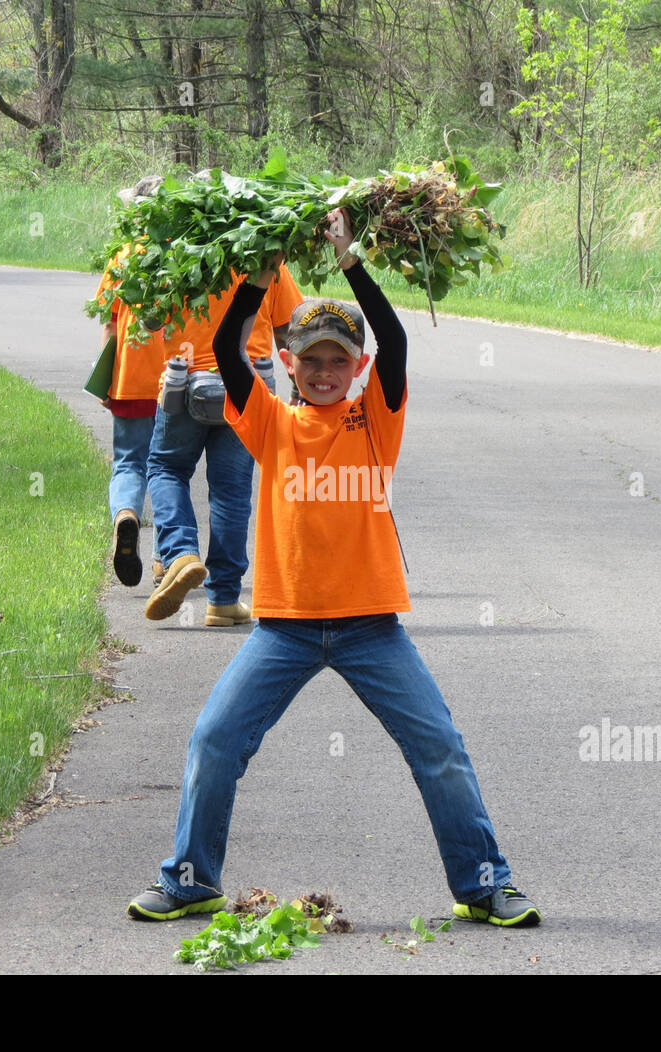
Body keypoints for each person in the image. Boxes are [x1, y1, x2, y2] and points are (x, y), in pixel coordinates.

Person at [126, 209, 540, 927]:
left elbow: (398, 338)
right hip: (282, 630)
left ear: (357, 367)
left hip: (370, 628)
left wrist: (350, 262)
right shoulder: (269, 422)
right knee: (214, 740)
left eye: (337, 360)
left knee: (439, 747)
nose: (323, 371)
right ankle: (192, 878)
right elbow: (227, 346)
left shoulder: (376, 416)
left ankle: (484, 883)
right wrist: (257, 281)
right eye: (310, 358)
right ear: (287, 362)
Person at [144, 258, 302, 627]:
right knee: (231, 491)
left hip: (183, 382)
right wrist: (298, 388)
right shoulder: (268, 255)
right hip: (248, 385)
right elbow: (290, 329)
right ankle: (224, 599)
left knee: (166, 468)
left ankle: (181, 553)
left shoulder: (176, 250)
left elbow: (149, 320)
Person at [94, 175, 167, 588]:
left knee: (129, 461)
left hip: (129, 380)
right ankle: (164, 559)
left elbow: (109, 321)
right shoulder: (184, 256)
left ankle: (125, 513)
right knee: (168, 470)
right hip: (175, 381)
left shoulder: (122, 255)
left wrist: (105, 380)